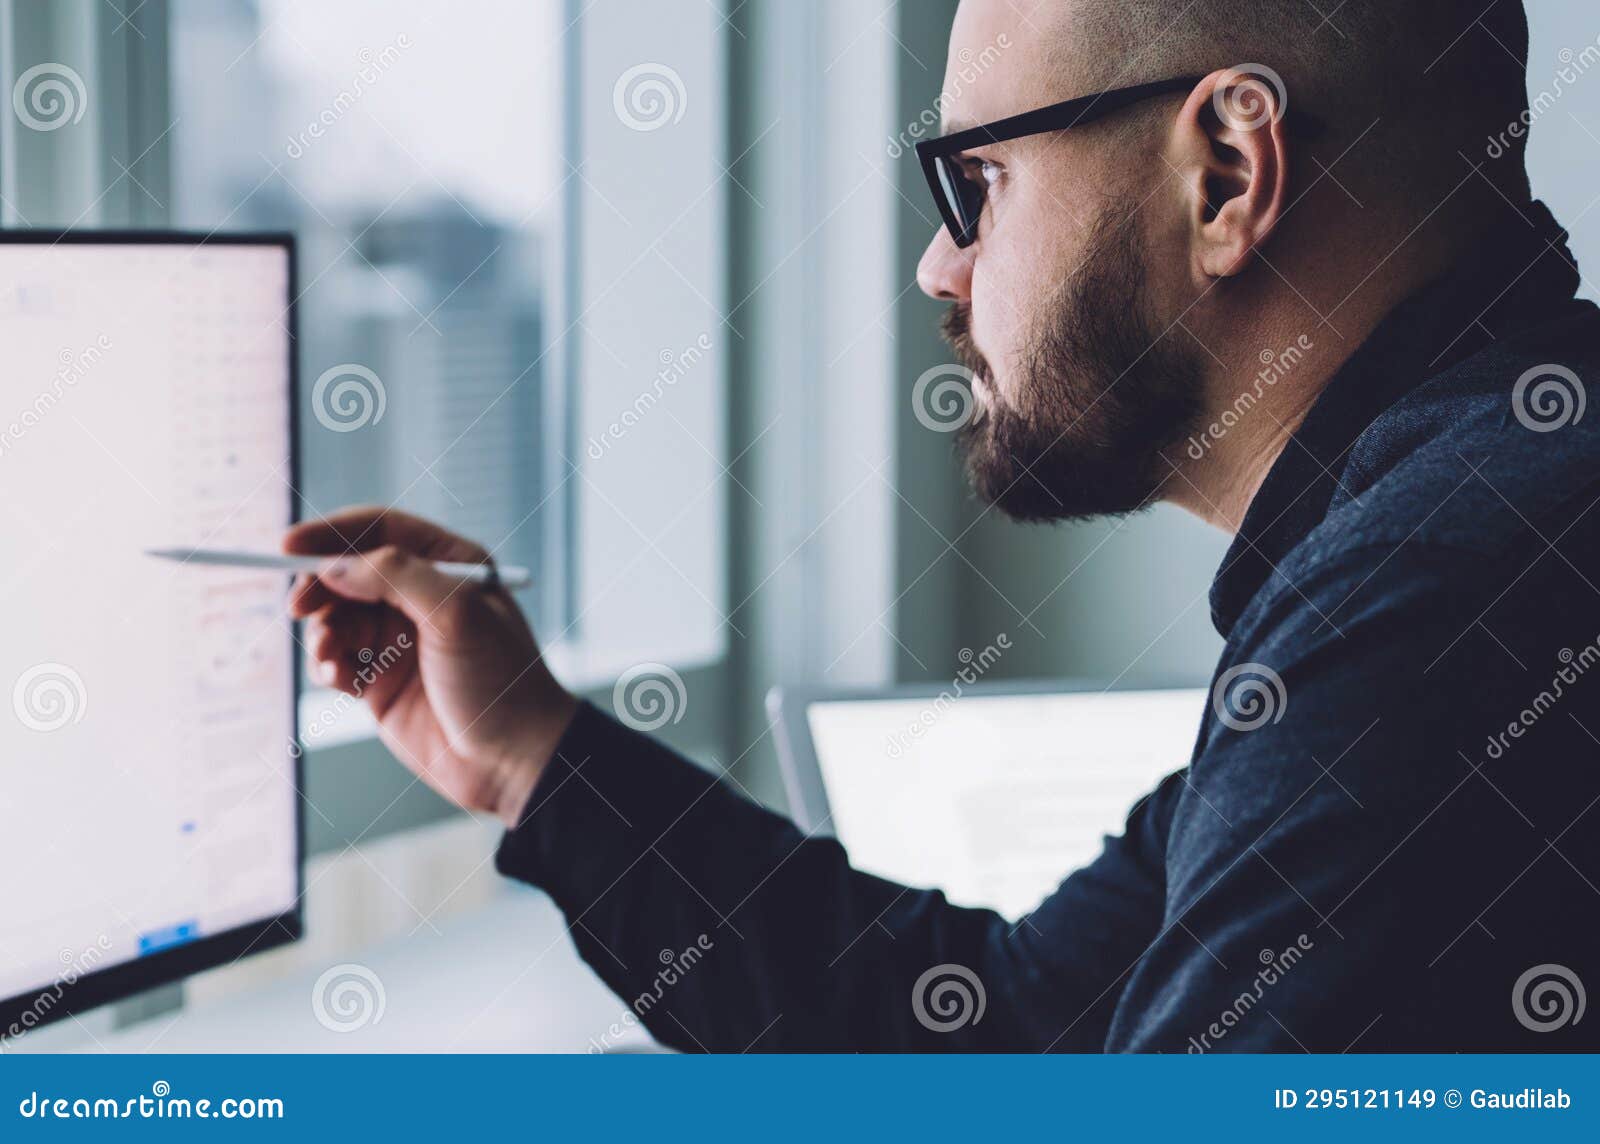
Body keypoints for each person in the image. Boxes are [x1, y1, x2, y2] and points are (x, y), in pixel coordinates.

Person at [284, 0, 1600, 1050]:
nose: (939, 264)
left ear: (1228, 173)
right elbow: (1017, 1028)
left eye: (981, 179)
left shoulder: (1432, 602)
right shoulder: (1469, 518)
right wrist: (531, 755)